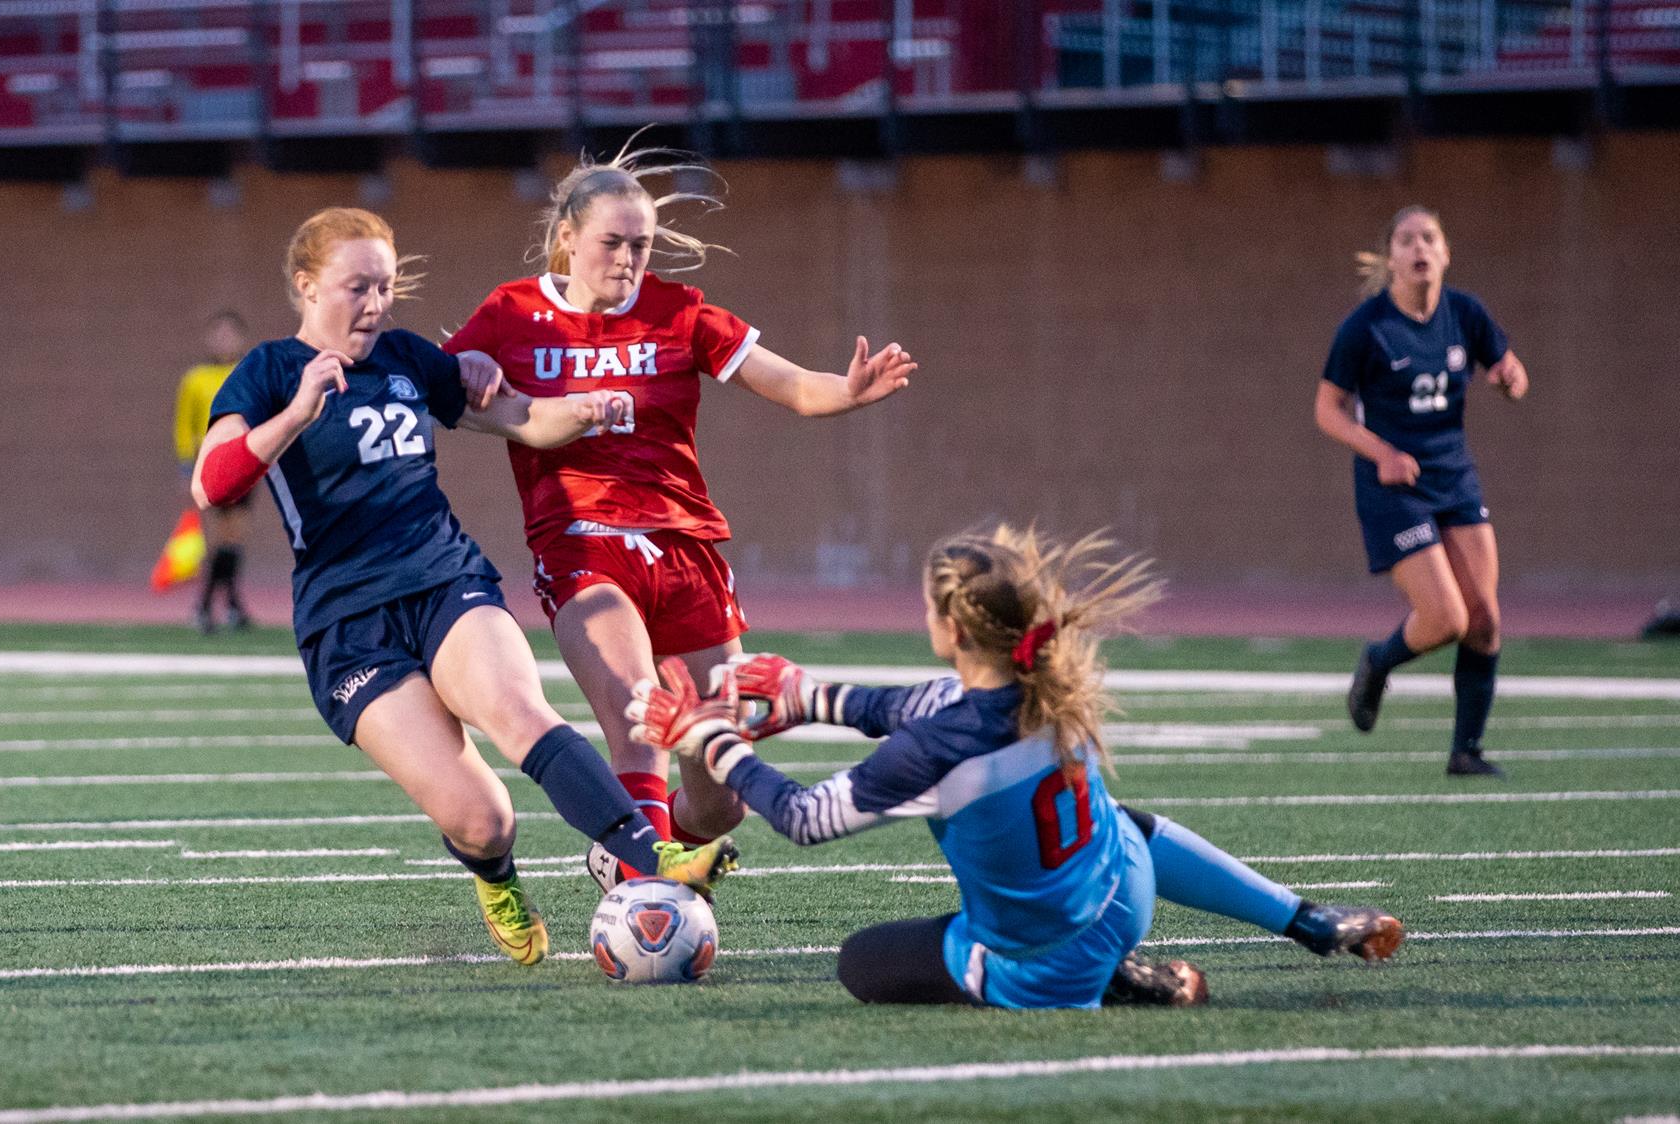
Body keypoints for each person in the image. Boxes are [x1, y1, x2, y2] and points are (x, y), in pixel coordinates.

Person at [192, 206, 737, 967]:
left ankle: (653, 855)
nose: (376, 305)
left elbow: (517, 420)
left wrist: (578, 412)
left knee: (517, 711)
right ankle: (497, 877)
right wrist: (293, 414)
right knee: (484, 820)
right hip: (347, 623)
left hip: (446, 579)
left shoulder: (408, 358)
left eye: (385, 287)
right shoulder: (271, 372)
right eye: (358, 287)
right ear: (307, 286)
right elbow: (212, 485)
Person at [629, 525, 1403, 1009]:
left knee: (861, 965)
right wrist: (806, 695)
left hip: (1045, 964)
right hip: (1121, 896)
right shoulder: (1041, 684)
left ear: (951, 628)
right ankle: (1305, 919)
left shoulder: (939, 749)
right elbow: (905, 703)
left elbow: (802, 819)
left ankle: (1116, 983)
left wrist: (708, 739)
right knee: (1122, 825)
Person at [444, 141, 917, 871]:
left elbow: (792, 385)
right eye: (613, 242)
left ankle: (658, 854)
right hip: (582, 543)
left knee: (720, 791)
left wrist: (847, 391)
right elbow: (449, 390)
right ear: (568, 236)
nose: (629, 258)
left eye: (641, 244)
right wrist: (468, 368)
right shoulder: (513, 314)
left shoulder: (680, 312)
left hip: (685, 550)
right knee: (639, 719)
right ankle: (646, 887)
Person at [1316, 206, 1530, 778]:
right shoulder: (1366, 327)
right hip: (1393, 487)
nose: (1419, 248)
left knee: (1485, 619)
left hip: (1453, 477)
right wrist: (1382, 453)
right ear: (1392, 258)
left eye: (1429, 238)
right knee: (1445, 618)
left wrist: (1511, 380)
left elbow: (1510, 369)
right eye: (1407, 240)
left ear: (1445, 253)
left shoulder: (1466, 314)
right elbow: (1326, 410)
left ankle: (1467, 751)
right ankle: (1378, 663)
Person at [173, 309, 255, 633]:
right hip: (212, 465)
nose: (225, 340)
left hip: (247, 463)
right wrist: (185, 466)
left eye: (231, 333)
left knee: (235, 539)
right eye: (218, 333)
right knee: (220, 538)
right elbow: (184, 425)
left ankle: (231, 604)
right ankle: (206, 606)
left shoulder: (249, 373)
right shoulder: (196, 379)